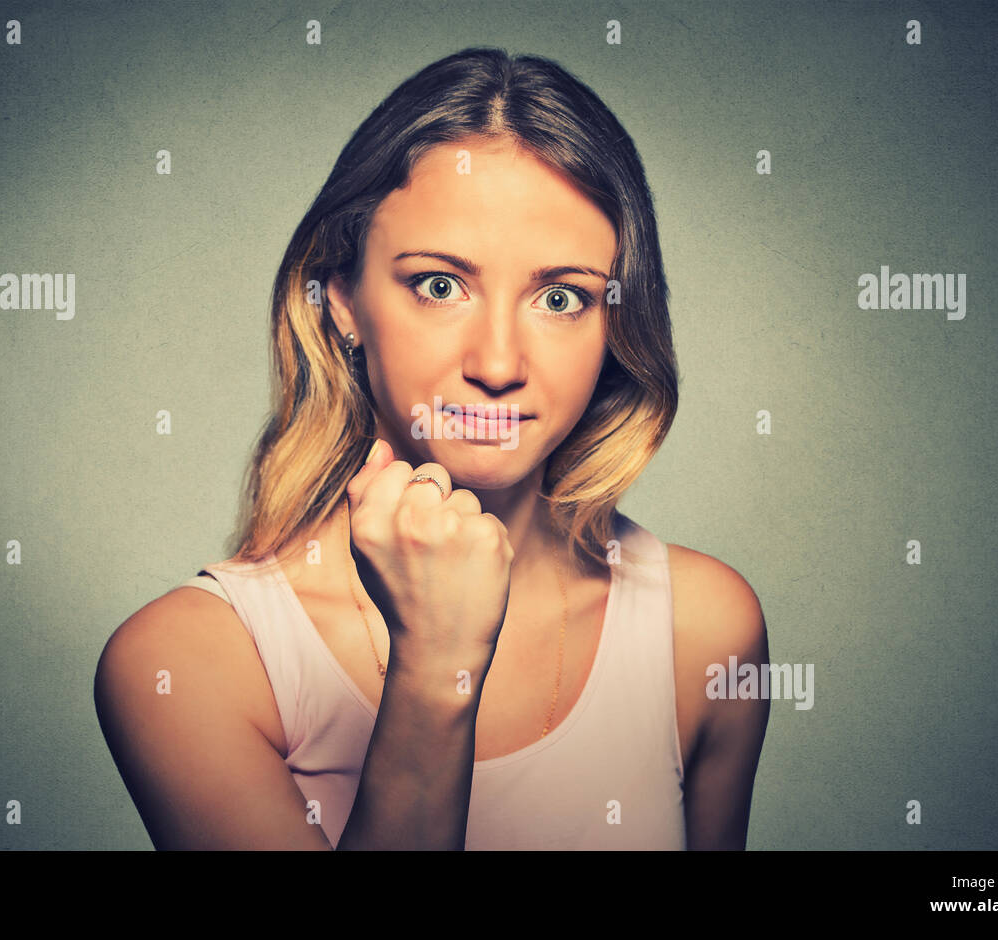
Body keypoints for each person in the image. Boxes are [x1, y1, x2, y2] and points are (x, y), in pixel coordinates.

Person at [94, 46, 770, 850]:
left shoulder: (702, 629)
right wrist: (435, 663)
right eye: (440, 285)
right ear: (340, 298)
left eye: (561, 298)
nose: (496, 365)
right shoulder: (186, 665)